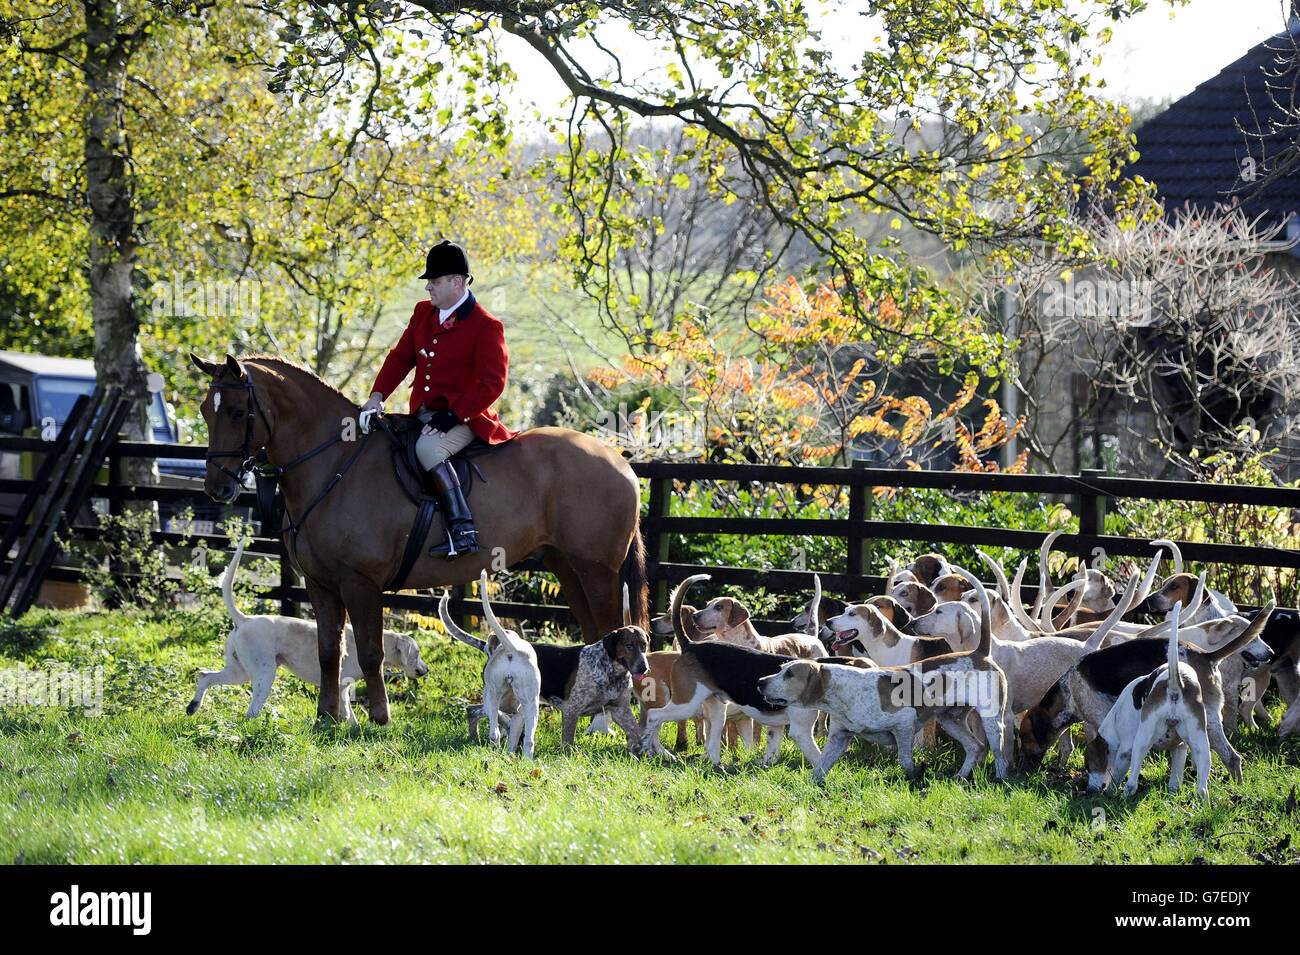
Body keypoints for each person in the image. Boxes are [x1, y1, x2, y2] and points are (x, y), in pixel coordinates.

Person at [360, 240, 516, 559]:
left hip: (466, 418)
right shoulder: (422, 313)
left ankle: (463, 530)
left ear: (456, 282)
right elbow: (401, 358)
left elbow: (492, 383)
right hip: (422, 413)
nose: (428, 286)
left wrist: (452, 417)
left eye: (435, 280)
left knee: (427, 450)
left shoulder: (486, 326)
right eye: (429, 281)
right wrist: (377, 396)